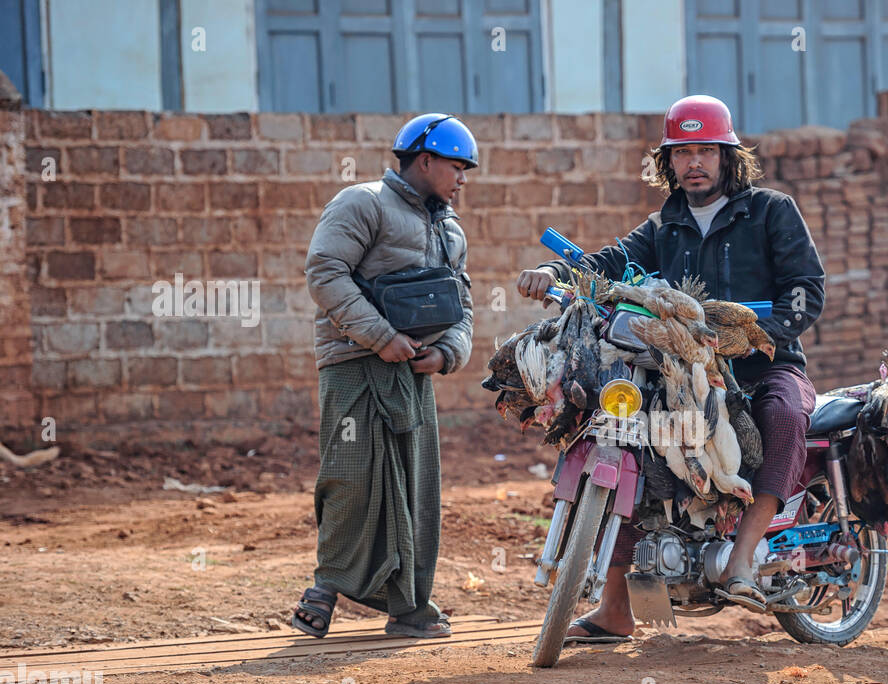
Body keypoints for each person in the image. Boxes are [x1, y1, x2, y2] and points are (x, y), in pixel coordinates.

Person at [516, 94, 824, 644]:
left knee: (784, 414)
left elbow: (807, 291)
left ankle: (743, 560)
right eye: (683, 153)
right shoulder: (664, 225)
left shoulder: (772, 211)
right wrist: (553, 270)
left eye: (706, 150)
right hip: (685, 374)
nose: (694, 163)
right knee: (631, 437)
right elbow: (608, 263)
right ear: (668, 162)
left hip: (761, 366)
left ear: (728, 156)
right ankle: (615, 608)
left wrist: (755, 337)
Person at [290, 113, 477, 640]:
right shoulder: (362, 203)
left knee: (415, 490)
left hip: (413, 376)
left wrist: (447, 354)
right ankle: (324, 591)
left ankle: (410, 607)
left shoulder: (450, 230)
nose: (463, 178)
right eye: (457, 166)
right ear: (425, 160)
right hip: (354, 366)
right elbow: (324, 272)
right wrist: (380, 338)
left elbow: (462, 306)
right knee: (351, 477)